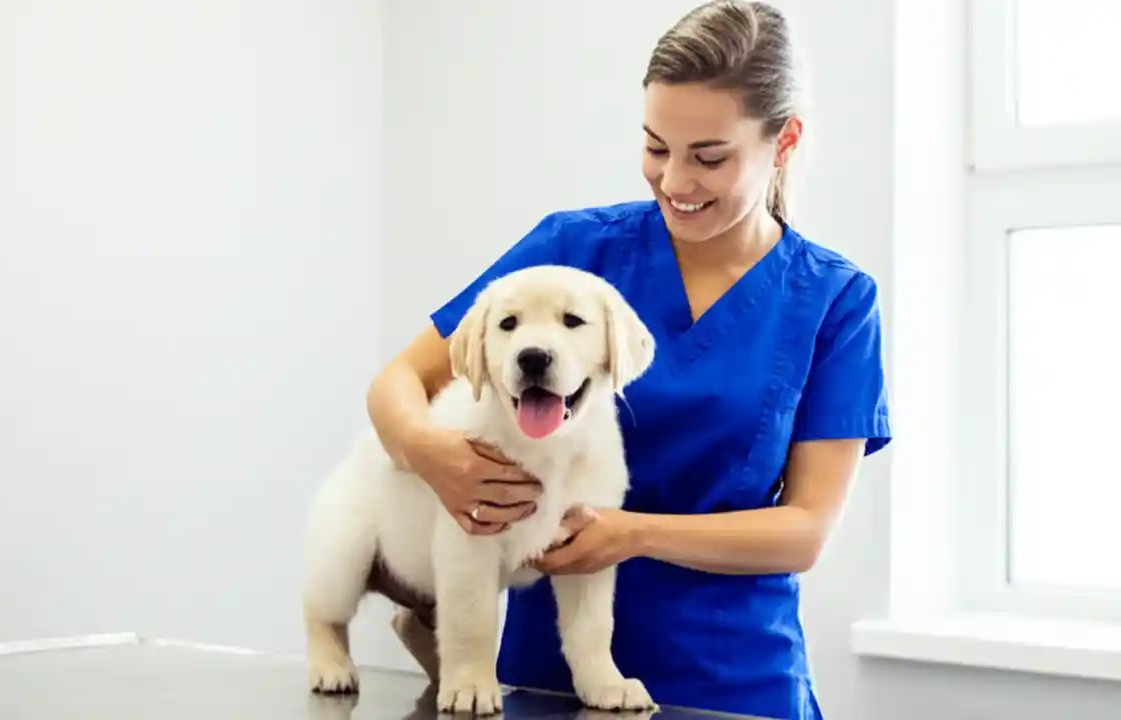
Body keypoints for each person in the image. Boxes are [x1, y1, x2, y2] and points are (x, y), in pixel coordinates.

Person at [365, 1, 890, 718]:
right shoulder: (575, 252)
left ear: (785, 139)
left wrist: (631, 534)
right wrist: (431, 454)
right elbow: (397, 382)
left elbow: (804, 530)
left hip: (730, 681)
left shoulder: (835, 301)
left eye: (709, 157)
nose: (675, 180)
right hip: (544, 676)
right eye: (655, 147)